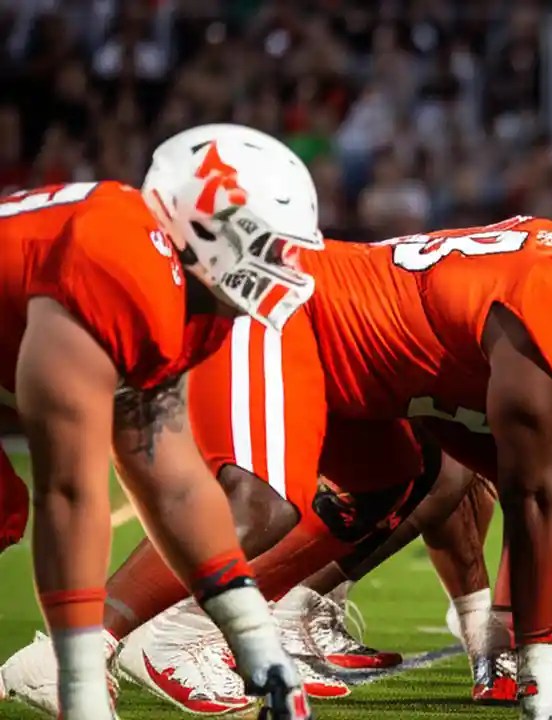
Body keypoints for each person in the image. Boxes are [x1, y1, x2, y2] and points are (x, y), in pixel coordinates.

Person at [5, 186, 552, 720]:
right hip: (288, 309)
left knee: (387, 479)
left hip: (358, 366)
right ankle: (80, 647)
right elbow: (537, 494)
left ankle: (220, 620)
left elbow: (520, 481)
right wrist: (540, 659)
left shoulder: (544, 274)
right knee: (257, 502)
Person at [0, 123, 322, 719]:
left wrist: (254, 639)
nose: (286, 265)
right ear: (205, 223)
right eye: (270, 244)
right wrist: (81, 688)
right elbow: (69, 492)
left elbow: (172, 481)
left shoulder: (187, 295)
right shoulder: (115, 256)